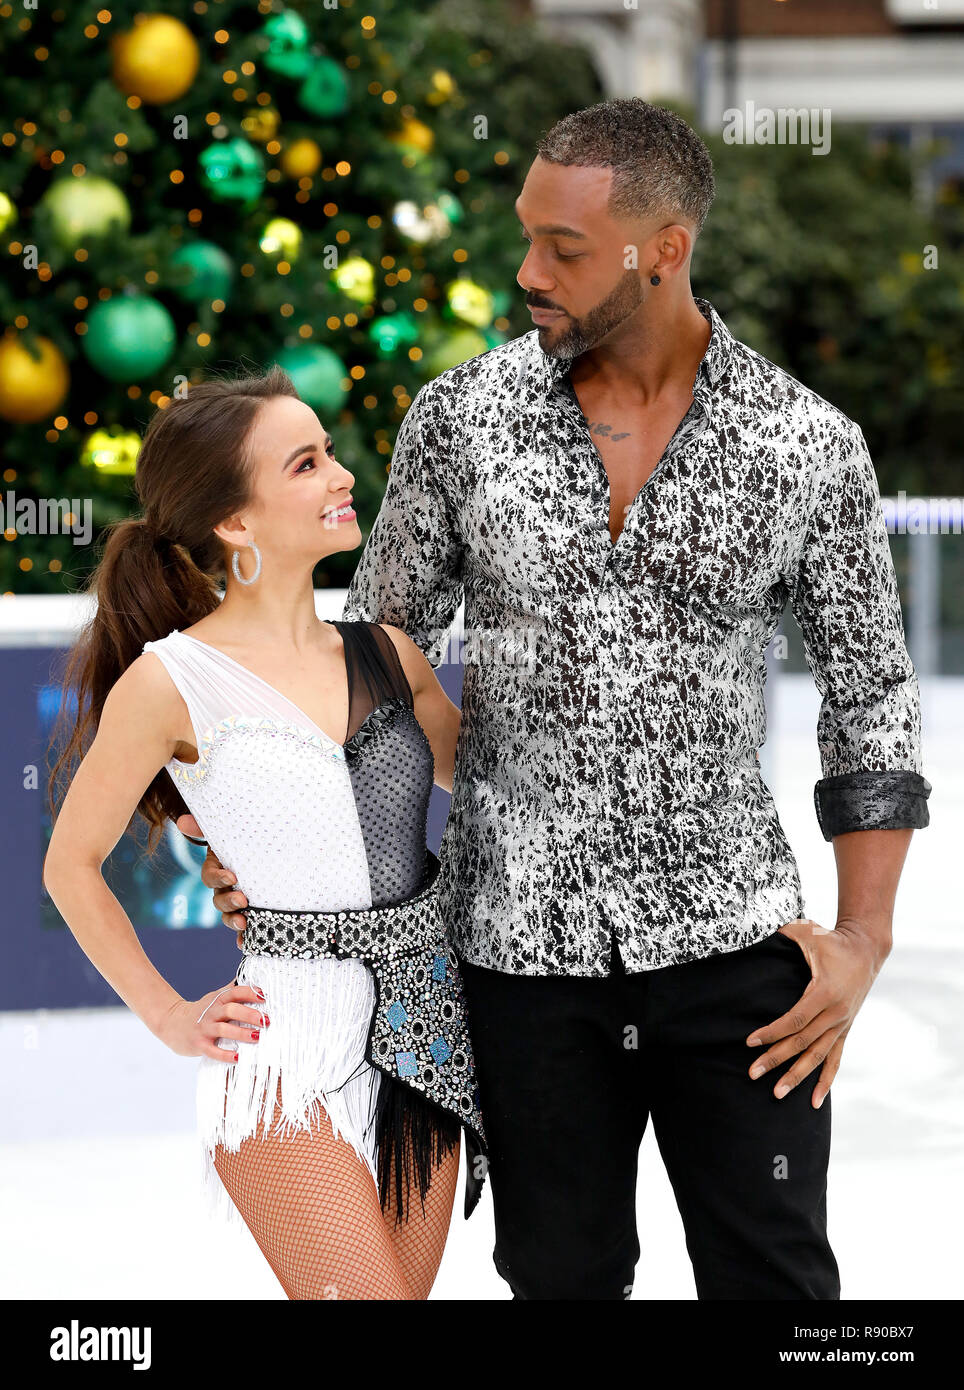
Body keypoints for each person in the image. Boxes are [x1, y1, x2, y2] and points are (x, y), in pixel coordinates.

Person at [196, 98, 932, 1300]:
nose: (529, 271)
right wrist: (278, 850)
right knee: (558, 1275)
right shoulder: (461, 420)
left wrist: (862, 939)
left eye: (567, 250)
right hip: (514, 956)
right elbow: (366, 662)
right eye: (528, 236)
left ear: (665, 247)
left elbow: (872, 710)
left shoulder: (807, 445)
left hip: (739, 951)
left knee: (778, 1281)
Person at [42, 367, 487, 1301]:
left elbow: (497, 789)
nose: (341, 476)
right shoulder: (172, 682)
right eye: (306, 464)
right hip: (282, 1052)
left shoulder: (388, 653)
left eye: (328, 452)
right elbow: (70, 866)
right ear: (236, 524)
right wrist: (168, 1015)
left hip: (428, 1040)